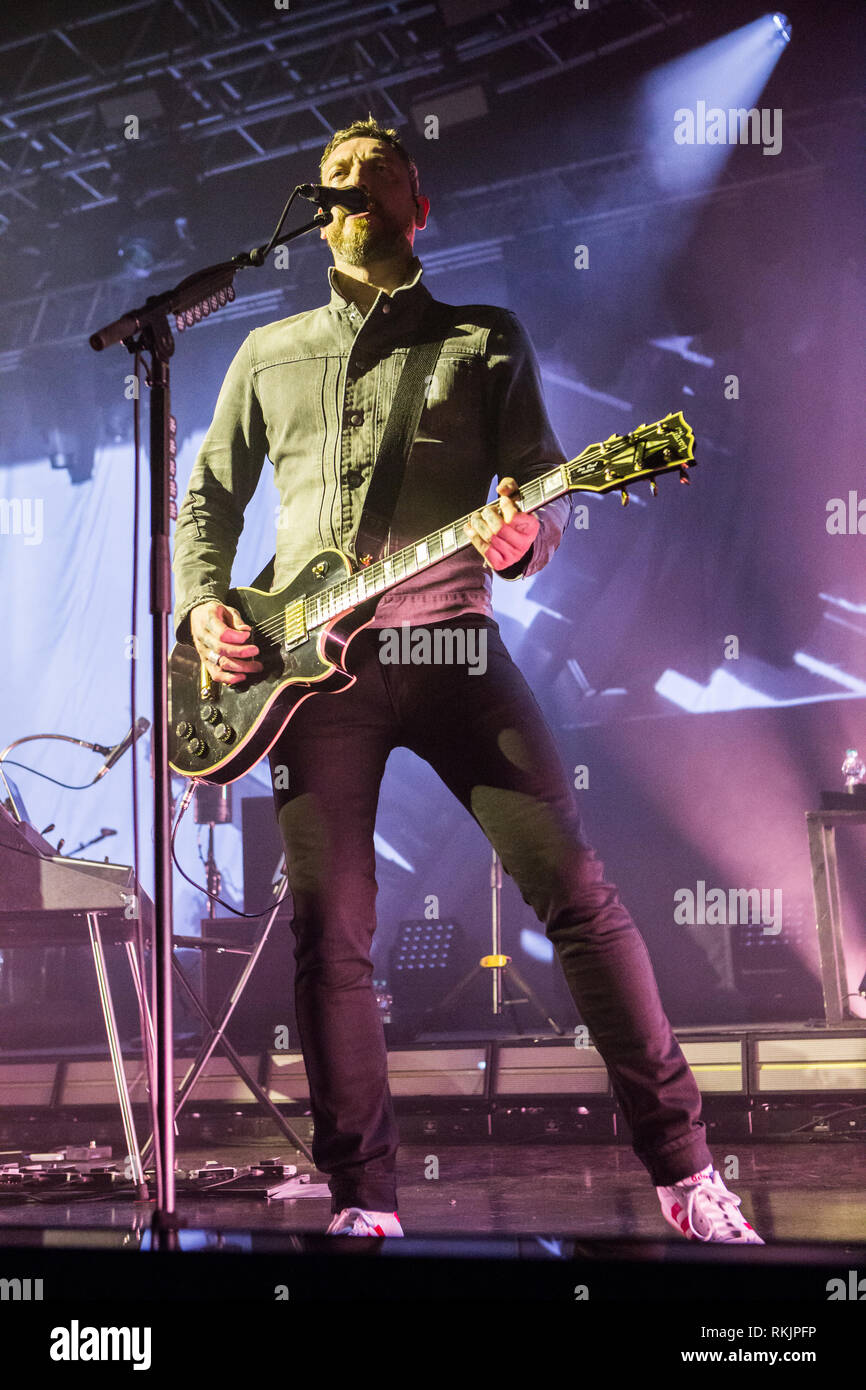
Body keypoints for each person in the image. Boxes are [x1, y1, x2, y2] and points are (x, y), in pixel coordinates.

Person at [172, 117, 763, 1244]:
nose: (348, 194)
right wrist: (206, 602)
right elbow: (209, 498)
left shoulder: (480, 338)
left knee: (576, 895)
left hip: (448, 643)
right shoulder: (267, 353)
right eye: (333, 182)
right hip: (310, 674)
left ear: (416, 208)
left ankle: (686, 1171)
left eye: (372, 181)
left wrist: (522, 540)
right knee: (329, 931)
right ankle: (363, 1198)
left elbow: (540, 491)